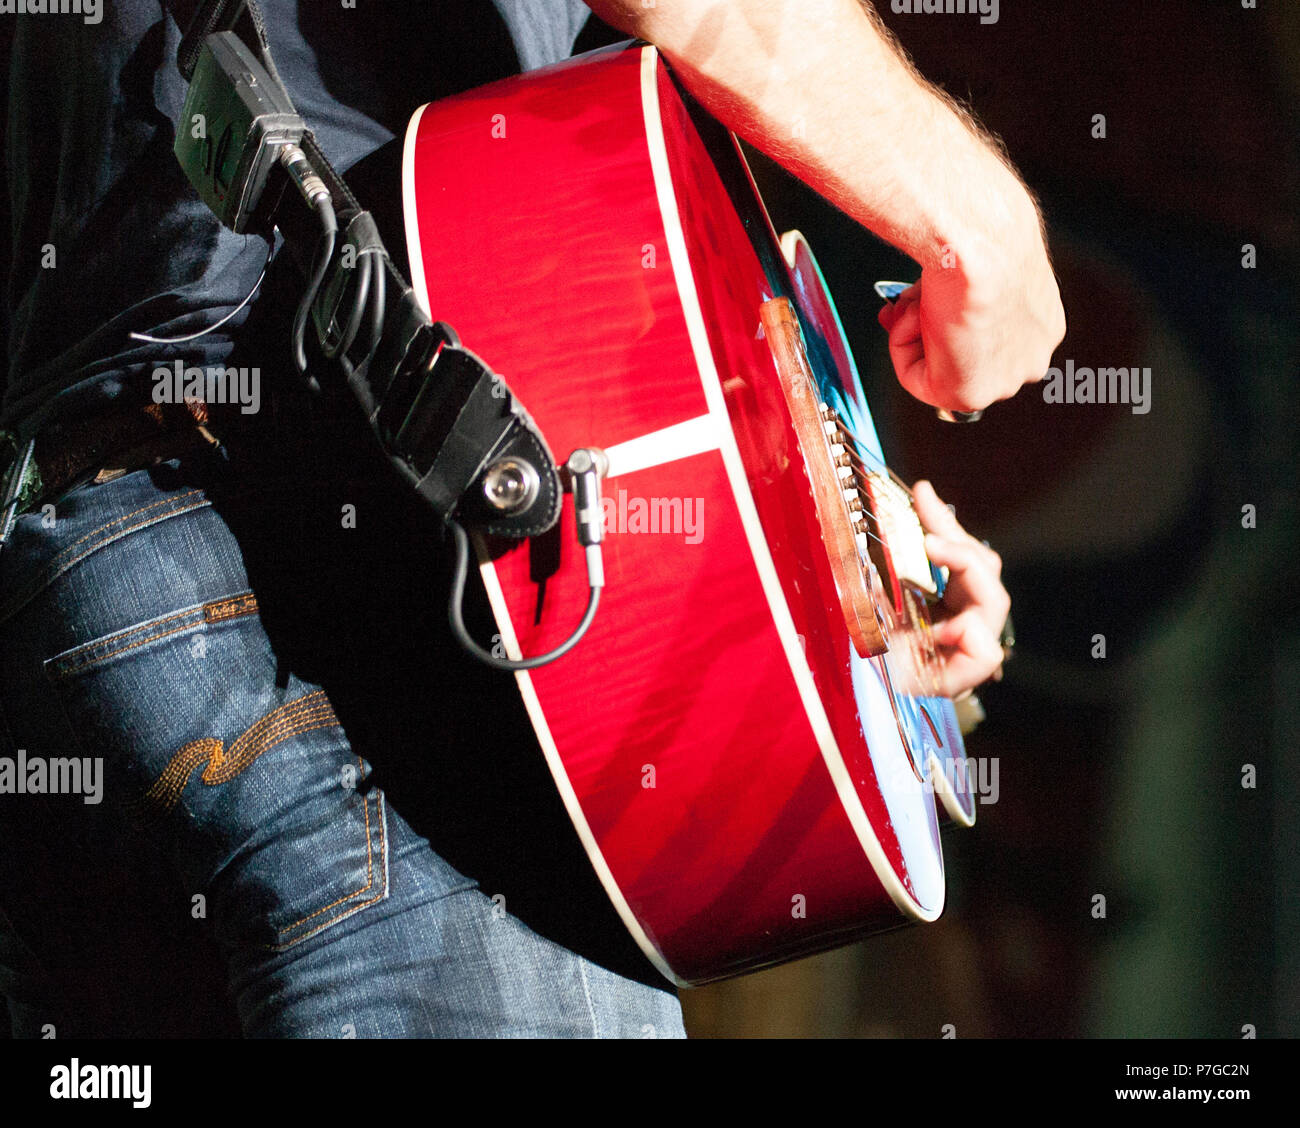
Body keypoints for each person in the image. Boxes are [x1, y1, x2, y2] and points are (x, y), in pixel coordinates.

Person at [0, 0, 1061, 1038]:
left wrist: (846, 548)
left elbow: (597, 290)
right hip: (325, 579)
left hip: (162, 541)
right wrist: (973, 214)